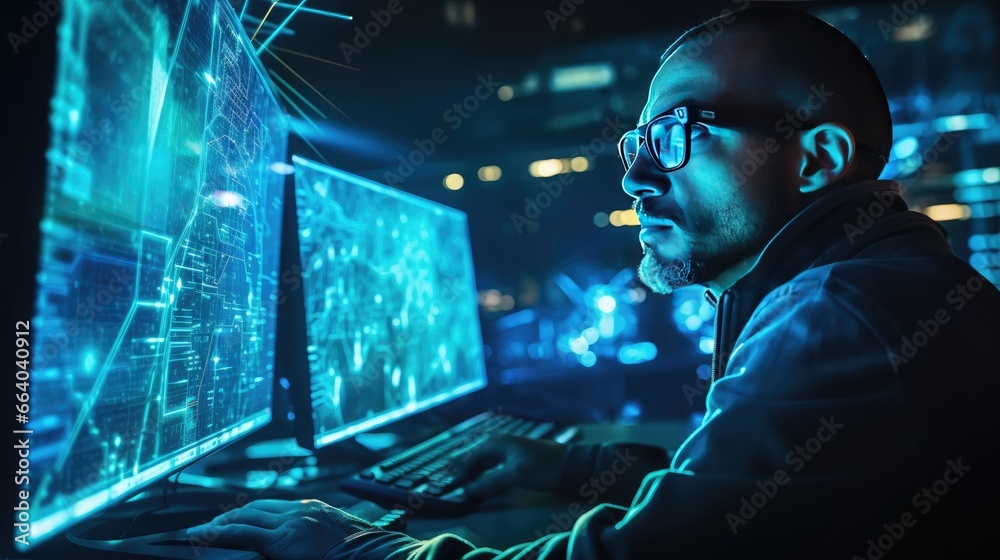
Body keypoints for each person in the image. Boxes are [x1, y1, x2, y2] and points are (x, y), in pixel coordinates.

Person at [187, 4, 1000, 558]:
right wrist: (570, 469)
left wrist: (356, 546)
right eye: (636, 145)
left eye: (676, 133)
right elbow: (747, 498)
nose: (636, 178)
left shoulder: (837, 312)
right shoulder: (874, 284)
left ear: (816, 159)